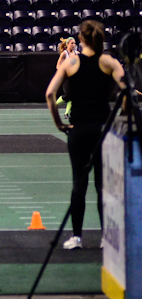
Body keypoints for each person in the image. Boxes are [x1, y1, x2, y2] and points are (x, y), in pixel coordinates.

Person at [46, 19, 124, 250]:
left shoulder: (71, 62)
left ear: (80, 39)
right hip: (103, 130)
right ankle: (106, 237)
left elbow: (50, 93)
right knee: (103, 186)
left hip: (79, 130)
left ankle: (77, 237)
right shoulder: (109, 61)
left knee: (79, 183)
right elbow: (127, 93)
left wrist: (59, 123)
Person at [56, 35, 78, 119]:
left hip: (74, 77)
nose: (74, 45)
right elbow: (58, 65)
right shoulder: (64, 53)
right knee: (68, 95)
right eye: (72, 43)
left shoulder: (76, 53)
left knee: (73, 96)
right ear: (68, 44)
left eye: (75, 43)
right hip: (66, 77)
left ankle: (66, 113)